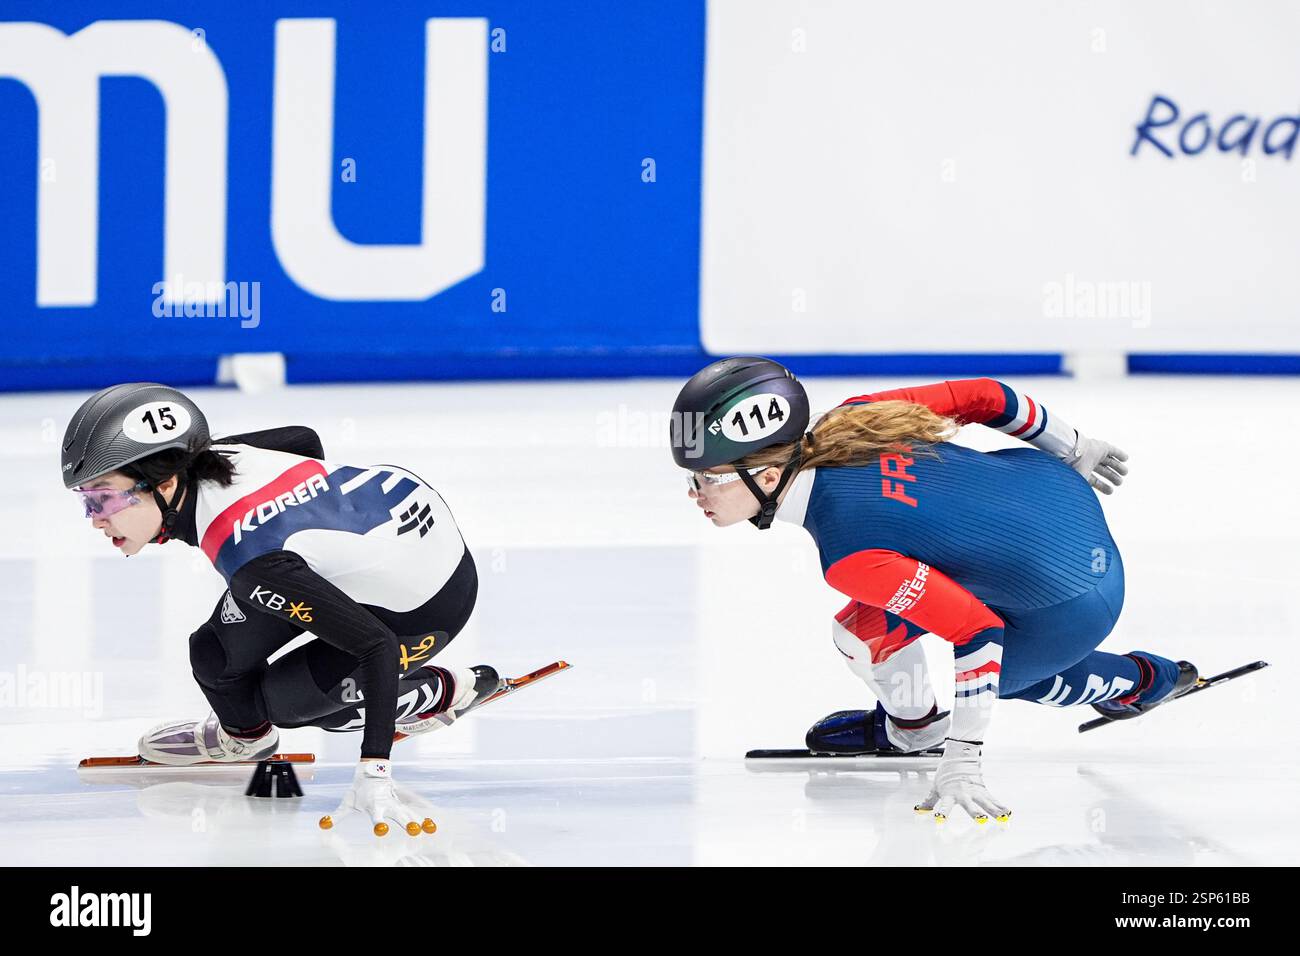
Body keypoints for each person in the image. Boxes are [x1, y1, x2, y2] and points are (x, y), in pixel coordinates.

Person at [670, 357, 1198, 823]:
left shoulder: (850, 554)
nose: (695, 494)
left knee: (1011, 678)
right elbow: (987, 395)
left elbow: (978, 629)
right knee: (859, 632)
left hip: (1076, 595)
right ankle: (916, 730)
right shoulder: (853, 416)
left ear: (765, 477)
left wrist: (963, 759)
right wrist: (1074, 447)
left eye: (706, 477)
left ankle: (1143, 679)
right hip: (1051, 488)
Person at [62, 383, 499, 836]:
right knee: (214, 654)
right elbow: (302, 440)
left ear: (167, 483)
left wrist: (374, 771)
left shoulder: (250, 559)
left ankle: (440, 690)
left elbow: (377, 646)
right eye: (86, 501)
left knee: (293, 705)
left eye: (104, 498)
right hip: (382, 545)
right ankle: (243, 739)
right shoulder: (217, 457)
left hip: (429, 604)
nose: (95, 518)